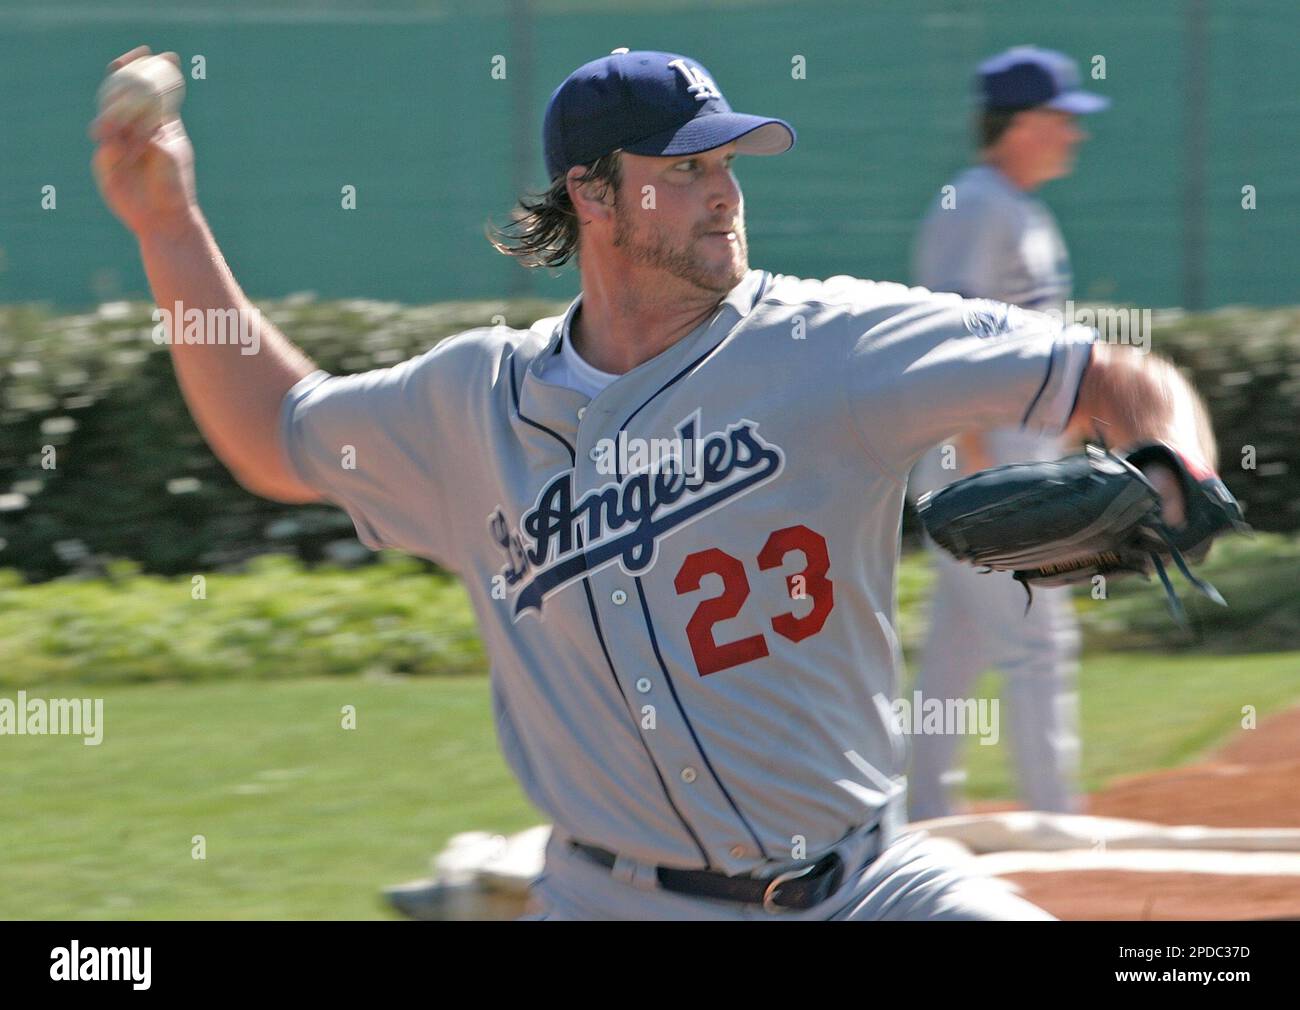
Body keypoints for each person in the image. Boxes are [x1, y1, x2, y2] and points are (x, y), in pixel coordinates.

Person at [92, 45, 1214, 920]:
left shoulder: (838, 343)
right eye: (683, 170)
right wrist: (166, 219)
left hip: (869, 883)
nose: (722, 192)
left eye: (725, 163)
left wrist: (1169, 470)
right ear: (590, 192)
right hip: (607, 898)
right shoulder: (474, 400)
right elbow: (277, 430)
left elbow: (1120, 375)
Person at [906, 46, 1109, 822]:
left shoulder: (1019, 207)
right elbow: (942, 334)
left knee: (958, 650)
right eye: (1060, 119)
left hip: (1002, 458)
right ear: (1020, 124)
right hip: (978, 463)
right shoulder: (975, 204)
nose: (1073, 134)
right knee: (1038, 643)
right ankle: (1058, 822)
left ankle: (920, 816)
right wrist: (977, 460)